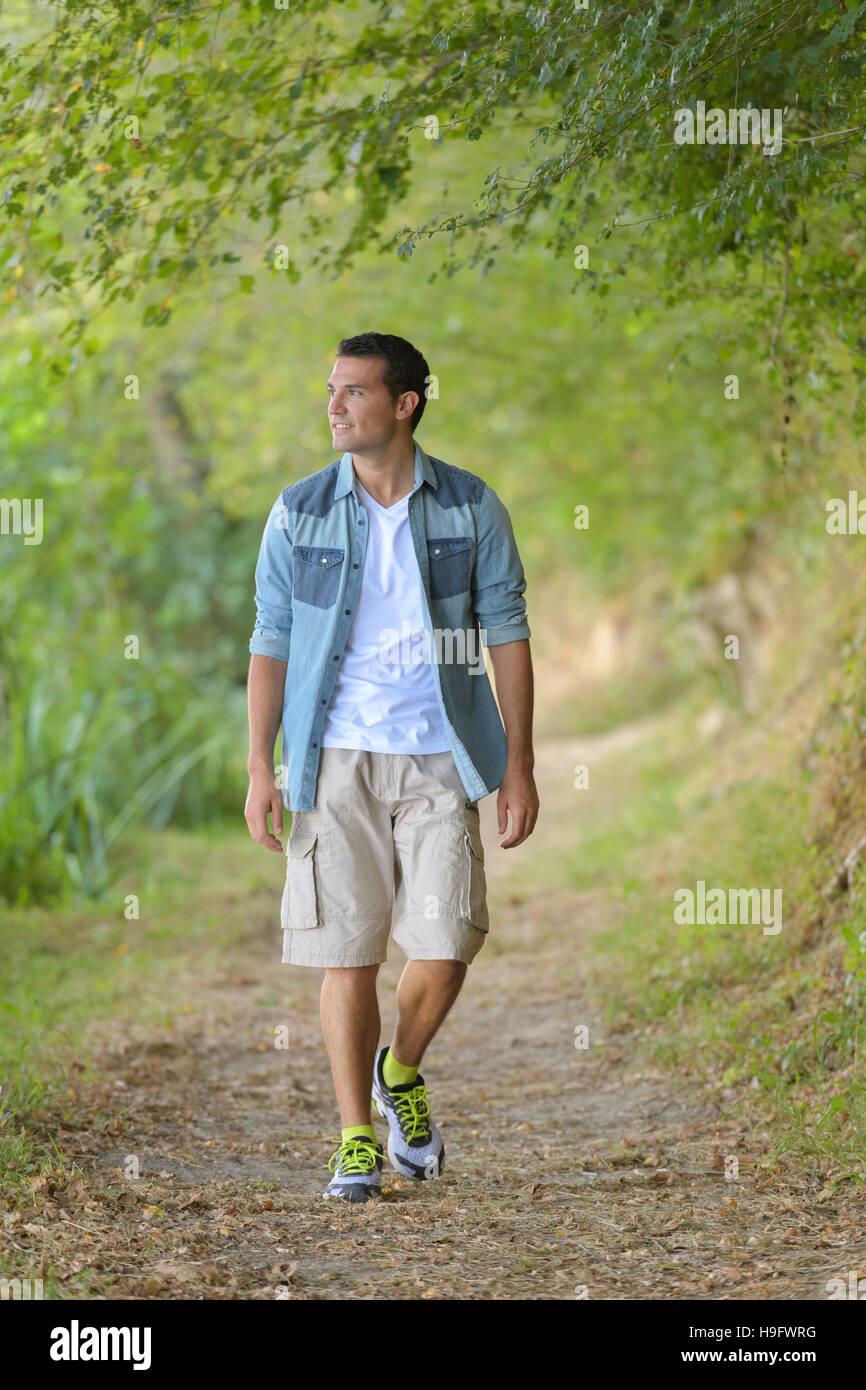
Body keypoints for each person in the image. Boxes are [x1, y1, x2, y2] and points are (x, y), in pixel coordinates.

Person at [245, 331, 538, 1202]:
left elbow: (507, 634)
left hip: (442, 753)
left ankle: (400, 1070)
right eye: (330, 390)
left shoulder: (469, 506)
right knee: (349, 951)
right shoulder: (299, 510)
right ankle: (354, 1141)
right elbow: (272, 639)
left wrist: (518, 765)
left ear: (405, 403)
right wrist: (261, 767)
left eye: (352, 392)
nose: (333, 406)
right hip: (334, 757)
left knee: (447, 943)